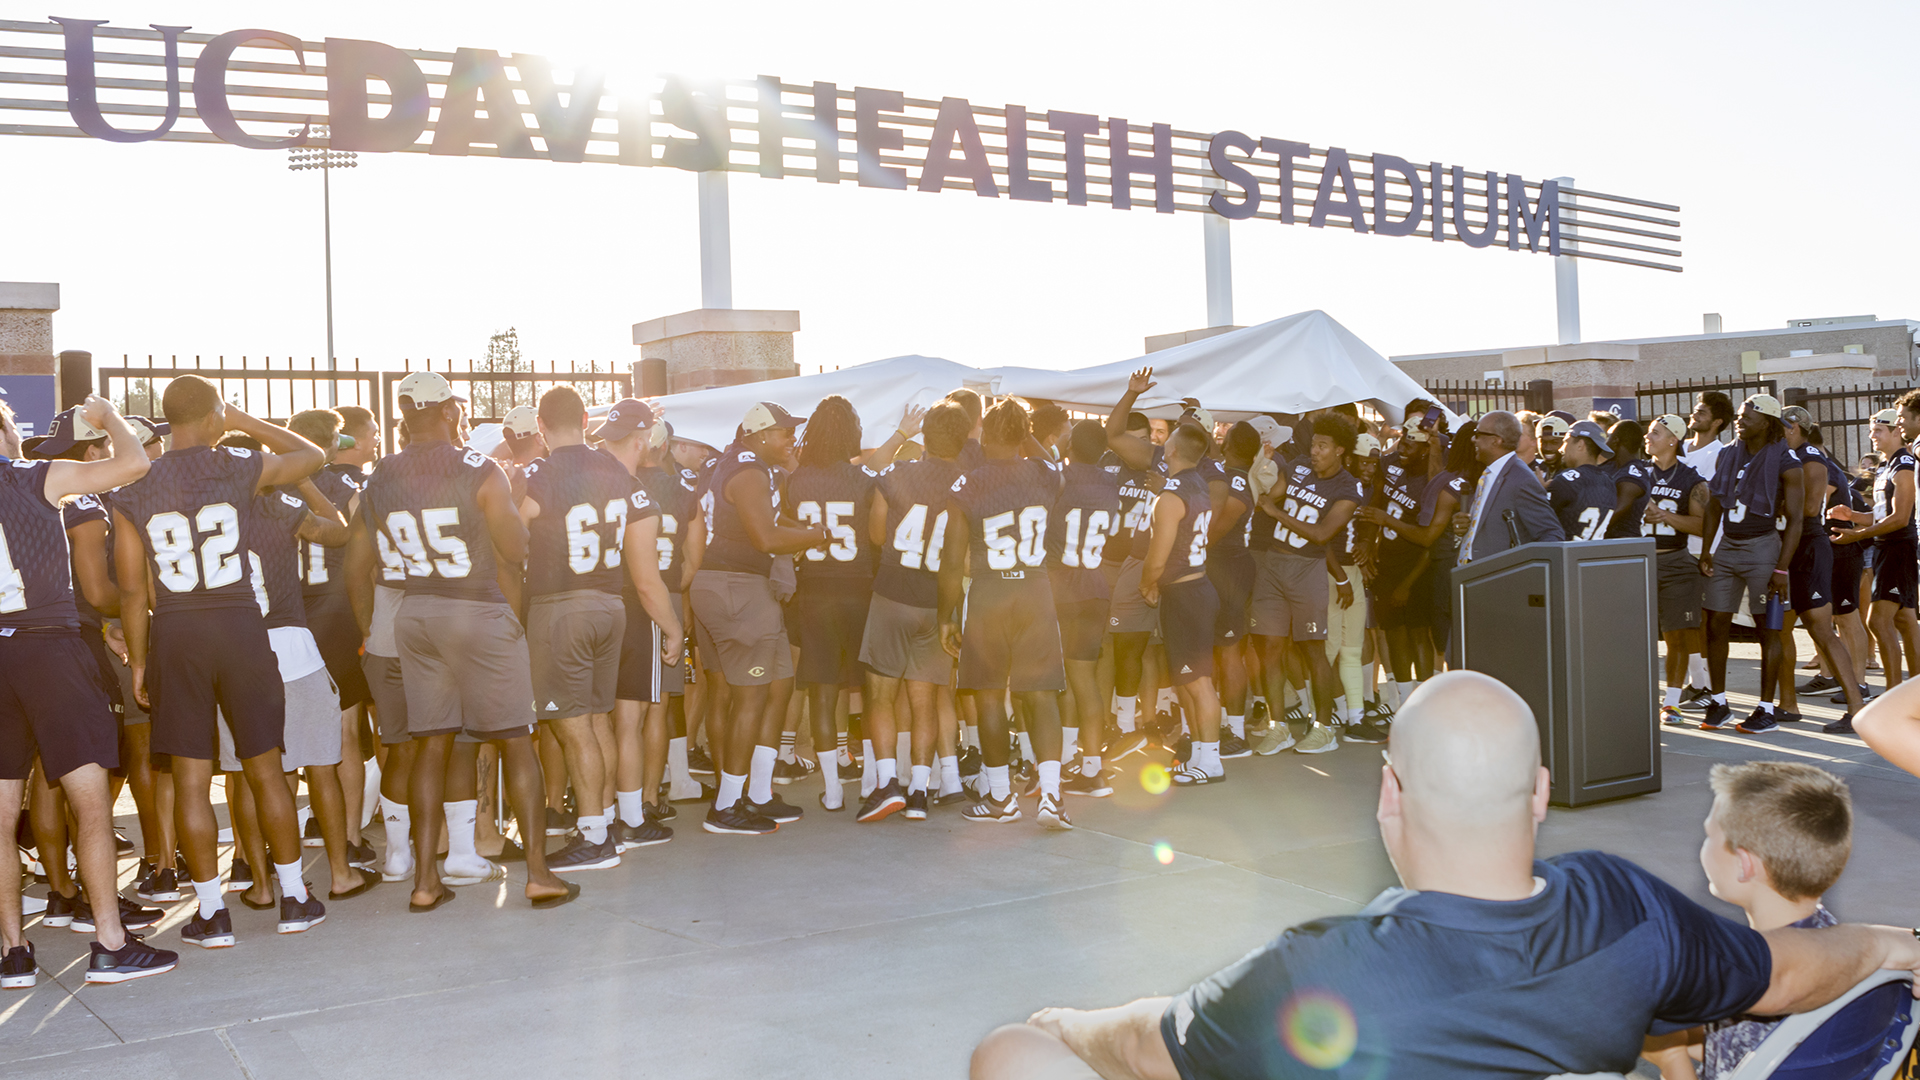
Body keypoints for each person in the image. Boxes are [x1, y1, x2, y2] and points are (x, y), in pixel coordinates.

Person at [971, 670, 1920, 1080]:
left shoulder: (1312, 973)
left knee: (1009, 1053)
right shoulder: (1631, 913)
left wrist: (1062, 1025)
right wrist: (1892, 943)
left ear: (1391, 794)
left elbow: (1147, 1047)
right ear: (1540, 793)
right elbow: (1787, 974)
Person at [346, 371, 577, 910]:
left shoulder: (380, 475)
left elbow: (356, 569)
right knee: (517, 740)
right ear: (449, 411)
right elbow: (516, 548)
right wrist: (515, 495)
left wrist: (367, 627)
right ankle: (539, 874)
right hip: (474, 606)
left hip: (415, 613)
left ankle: (426, 883)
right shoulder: (480, 467)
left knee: (431, 743)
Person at [111, 375, 328, 947]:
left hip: (178, 630)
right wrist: (247, 422)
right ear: (213, 416)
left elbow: (132, 590)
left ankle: (212, 913)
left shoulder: (137, 482)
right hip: (239, 623)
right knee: (265, 765)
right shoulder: (235, 463)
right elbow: (311, 455)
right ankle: (295, 898)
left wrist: (138, 663)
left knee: (190, 776)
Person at [0, 395, 178, 987]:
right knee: (91, 803)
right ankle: (109, 940)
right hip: (48, 644)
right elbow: (134, 464)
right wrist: (106, 417)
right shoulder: (35, 476)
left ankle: (13, 952)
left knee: (1, 816)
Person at [520, 387, 680, 869]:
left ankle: (593, 836)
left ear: (542, 427)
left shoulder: (541, 472)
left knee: (572, 727)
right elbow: (647, 573)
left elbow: (511, 530)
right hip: (612, 605)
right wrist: (672, 627)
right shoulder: (616, 471)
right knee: (594, 720)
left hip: (560, 606)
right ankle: (605, 820)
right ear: (586, 421)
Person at [1643, 762, 1851, 1080]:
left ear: (1744, 864)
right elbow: (1764, 1050)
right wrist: (1682, 1040)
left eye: (1709, 835)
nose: (1704, 845)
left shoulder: (1741, 981)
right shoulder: (1850, 950)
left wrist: (1670, 1058)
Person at [690, 401, 830, 835]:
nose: (791, 438)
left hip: (732, 585)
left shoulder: (745, 465)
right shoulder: (748, 471)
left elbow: (768, 520)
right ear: (761, 434)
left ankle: (757, 793)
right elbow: (765, 536)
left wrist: (802, 526)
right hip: (735, 587)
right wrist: (818, 534)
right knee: (749, 696)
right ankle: (727, 804)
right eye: (785, 431)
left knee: (776, 684)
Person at [938, 398, 1070, 826]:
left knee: (990, 696)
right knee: (1041, 694)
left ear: (988, 436)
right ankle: (1051, 795)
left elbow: (952, 559)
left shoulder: (968, 482)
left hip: (991, 592)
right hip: (1034, 589)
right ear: (1020, 436)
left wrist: (946, 615)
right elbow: (1048, 459)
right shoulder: (1044, 473)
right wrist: (1024, 430)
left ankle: (1000, 798)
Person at [862, 401, 973, 813]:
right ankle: (920, 793)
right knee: (925, 698)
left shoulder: (896, 474)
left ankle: (888, 781)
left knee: (881, 695)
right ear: (964, 441)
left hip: (893, 590)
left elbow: (876, 534)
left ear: (924, 435)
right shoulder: (970, 483)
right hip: (938, 600)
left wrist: (900, 436)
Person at [287, 407, 377, 866]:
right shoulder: (350, 488)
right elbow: (369, 558)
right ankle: (351, 839)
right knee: (345, 730)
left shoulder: (270, 485)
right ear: (333, 442)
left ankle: (277, 845)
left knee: (284, 735)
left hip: (288, 616)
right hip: (337, 614)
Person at [1255, 414, 1362, 752]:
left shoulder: (1348, 487)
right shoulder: (1299, 465)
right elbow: (1271, 493)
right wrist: (1264, 469)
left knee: (1313, 650)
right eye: (1314, 443)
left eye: (1322, 446)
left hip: (1307, 569)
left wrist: (1276, 513)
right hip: (1273, 563)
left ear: (1340, 450)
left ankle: (1324, 727)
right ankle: (1279, 727)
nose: (1314, 451)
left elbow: (1322, 534)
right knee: (1269, 648)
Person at [1697, 395, 1802, 732]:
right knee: (1715, 623)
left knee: (1767, 628)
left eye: (1747, 417)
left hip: (1762, 546)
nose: (1739, 422)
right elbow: (1715, 503)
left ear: (1767, 421)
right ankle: (1718, 701)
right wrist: (1707, 548)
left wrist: (1782, 568)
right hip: (1728, 544)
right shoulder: (1729, 453)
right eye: (1739, 416)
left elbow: (1798, 519)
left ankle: (1766, 709)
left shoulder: (1787, 461)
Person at [1756, 407, 1865, 733]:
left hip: (1808, 551)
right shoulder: (1776, 456)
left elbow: (1807, 508)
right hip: (1783, 552)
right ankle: (1788, 704)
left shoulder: (1811, 455)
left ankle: (1856, 709)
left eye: (1780, 428)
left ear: (1793, 429)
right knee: (1779, 629)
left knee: (1821, 628)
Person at [1142, 421, 1229, 784]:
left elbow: (1158, 557)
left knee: (1198, 683)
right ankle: (1200, 755)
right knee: (1190, 680)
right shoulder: (1196, 486)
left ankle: (1211, 761)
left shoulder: (1172, 495)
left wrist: (1147, 582)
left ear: (1172, 450)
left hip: (1186, 593)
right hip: (1195, 588)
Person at [1048, 420, 1121, 798]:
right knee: (1085, 680)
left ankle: (1056, 762)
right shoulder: (1111, 482)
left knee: (1055, 680)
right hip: (1095, 584)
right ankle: (1091, 767)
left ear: (1072, 444)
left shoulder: (1058, 476)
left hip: (1062, 586)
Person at [1831, 408, 1920, 712]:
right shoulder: (1886, 465)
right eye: (1871, 430)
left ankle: (1895, 695)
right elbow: (1882, 513)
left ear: (1896, 430)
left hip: (1897, 548)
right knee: (1906, 622)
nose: (1873, 436)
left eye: (1879, 430)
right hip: (1887, 547)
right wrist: (1853, 516)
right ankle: (1911, 695)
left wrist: (1858, 534)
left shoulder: (1904, 463)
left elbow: (1900, 517)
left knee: (1878, 620)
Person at [1640, 415, 1712, 726]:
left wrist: (1665, 516)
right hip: (1636, 561)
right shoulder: (1637, 472)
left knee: (1677, 636)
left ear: (1673, 440)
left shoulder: (1691, 480)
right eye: (1648, 432)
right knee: (1632, 636)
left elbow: (1703, 525)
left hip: (1675, 562)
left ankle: (1671, 703)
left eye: (1655, 433)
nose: (1648, 437)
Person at [1205, 422, 1259, 757]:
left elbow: (1214, 532)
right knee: (1217, 651)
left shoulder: (1237, 481)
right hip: (1221, 568)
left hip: (1229, 569)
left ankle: (1237, 733)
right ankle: (1225, 723)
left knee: (1229, 651)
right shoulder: (1230, 470)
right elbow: (1211, 453)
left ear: (1231, 446)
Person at [1453, 411, 1564, 559]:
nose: (1473, 439)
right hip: (1474, 572)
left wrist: (1524, 569)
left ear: (1496, 440)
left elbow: (1550, 533)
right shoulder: (1491, 472)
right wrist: (1466, 525)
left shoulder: (1521, 479)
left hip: (1498, 576)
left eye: (1478, 434)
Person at [1547, 419, 1619, 540]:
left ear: (1580, 445)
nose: (1561, 449)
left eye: (1566, 442)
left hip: (1565, 555)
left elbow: (1538, 520)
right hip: (1591, 556)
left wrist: (1537, 490)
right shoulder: (1609, 482)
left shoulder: (1566, 480)